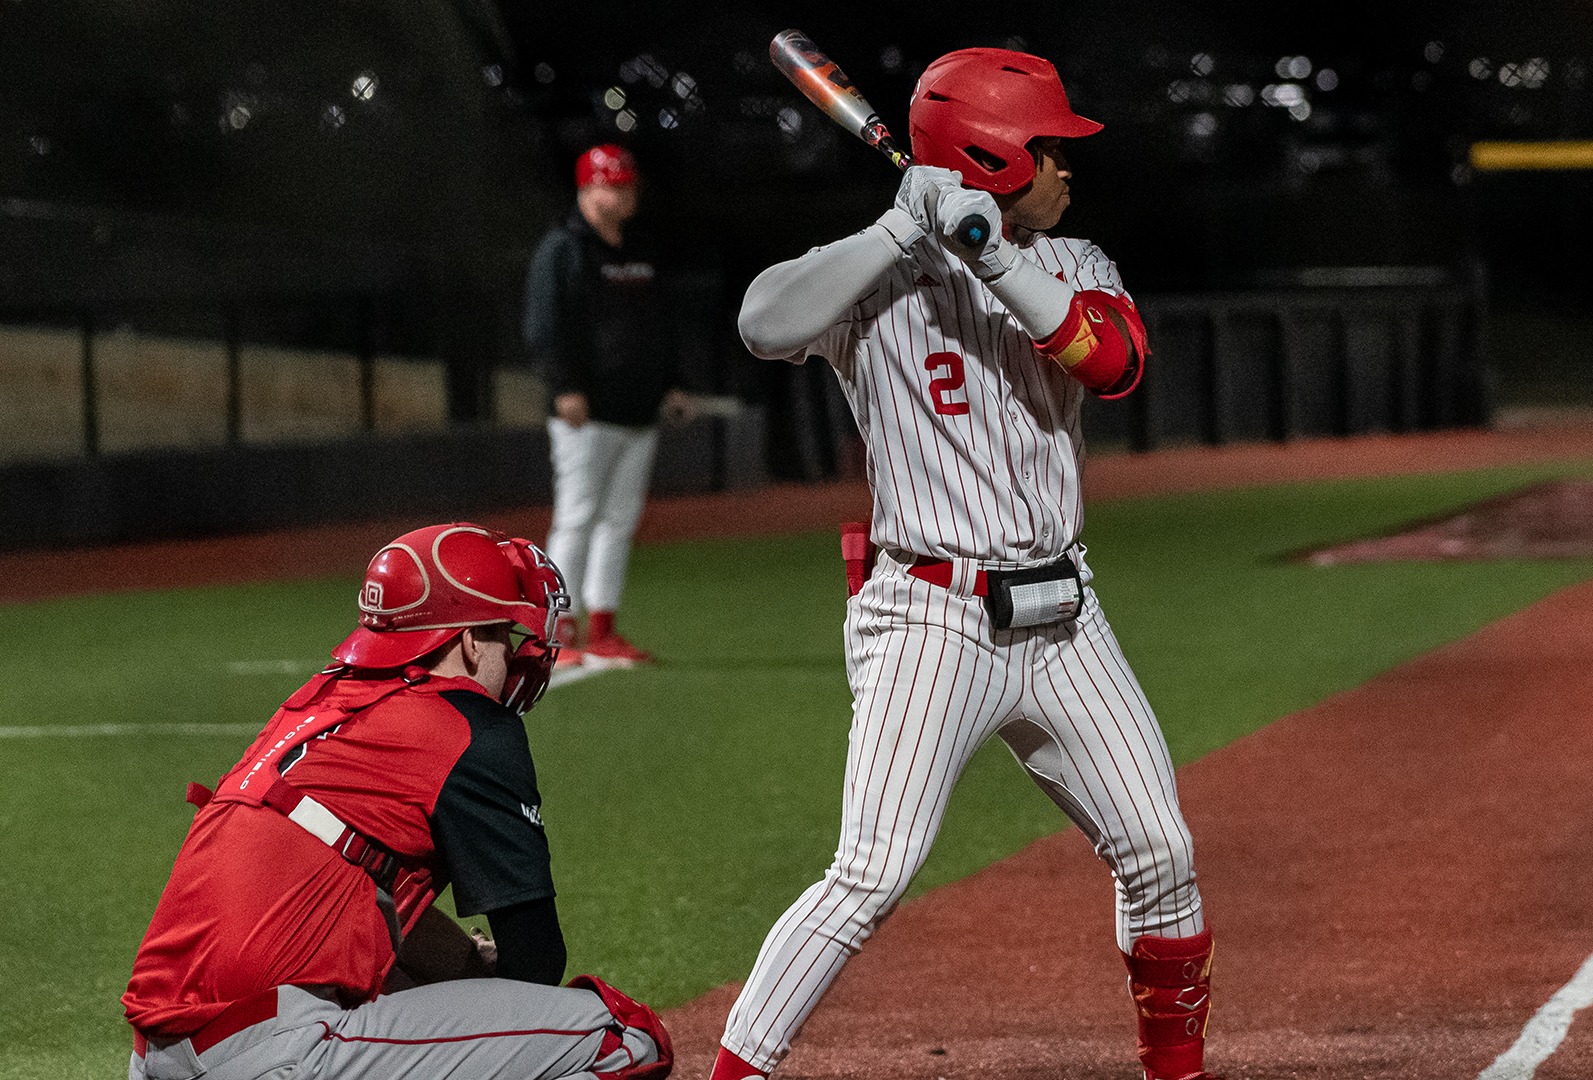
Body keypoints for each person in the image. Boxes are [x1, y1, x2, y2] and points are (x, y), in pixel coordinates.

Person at [718, 48, 1216, 1080]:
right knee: (871, 872)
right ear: (992, 154)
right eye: (1047, 149)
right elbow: (762, 322)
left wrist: (994, 255)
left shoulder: (1074, 263)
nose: (1068, 167)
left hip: (1065, 618)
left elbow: (1113, 364)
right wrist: (901, 228)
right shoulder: (877, 269)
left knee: (1161, 854)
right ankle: (736, 1070)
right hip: (928, 619)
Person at [123, 523, 672, 1080]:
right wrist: (474, 979)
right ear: (466, 641)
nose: (512, 654)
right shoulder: (465, 725)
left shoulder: (318, 706)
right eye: (502, 634)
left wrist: (458, 963)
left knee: (419, 979)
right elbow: (535, 962)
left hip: (160, 1058)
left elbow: (359, 881)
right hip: (279, 1052)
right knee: (623, 1039)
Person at [524, 144, 694, 668]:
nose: (623, 194)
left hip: (637, 410)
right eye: (613, 185)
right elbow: (544, 325)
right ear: (587, 189)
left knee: (618, 521)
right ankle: (558, 629)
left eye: (626, 185)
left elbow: (659, 326)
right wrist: (562, 387)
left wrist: (673, 383)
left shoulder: (638, 248)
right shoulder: (563, 250)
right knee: (576, 516)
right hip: (587, 412)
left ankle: (603, 627)